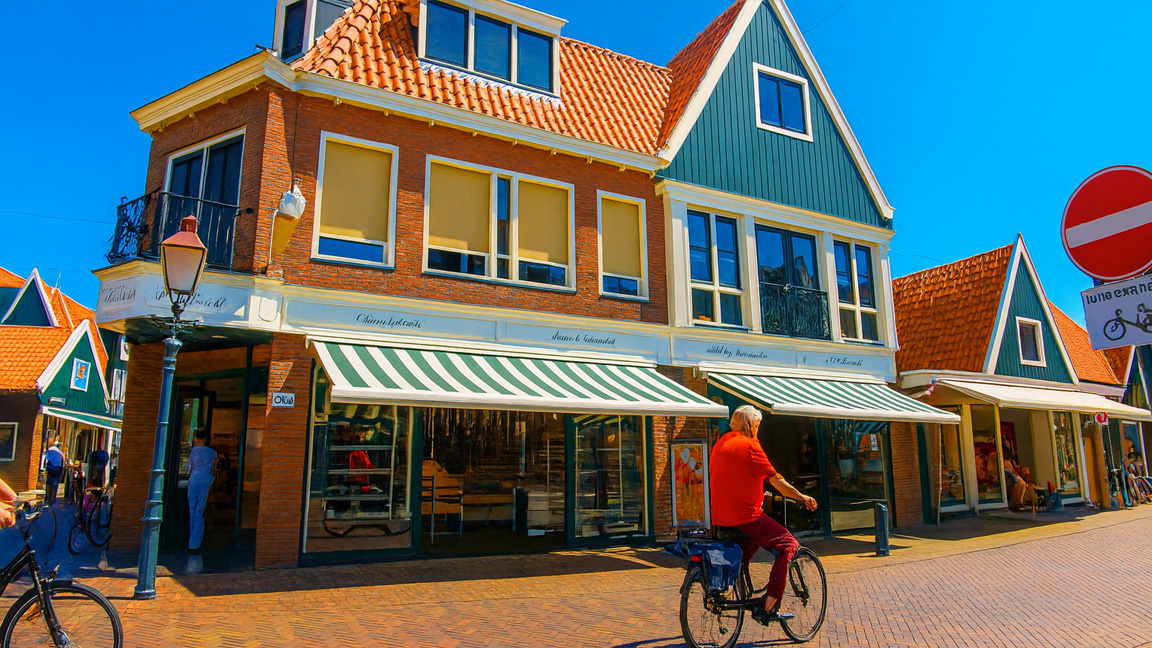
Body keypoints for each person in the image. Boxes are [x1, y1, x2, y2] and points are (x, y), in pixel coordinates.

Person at [709, 405, 818, 626]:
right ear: (751, 425)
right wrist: (801, 497)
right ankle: (770, 605)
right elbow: (777, 481)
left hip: (720, 518)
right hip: (746, 518)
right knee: (788, 545)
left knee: (751, 544)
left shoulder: (720, 443)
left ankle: (730, 583)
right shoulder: (751, 446)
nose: (758, 430)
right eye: (757, 425)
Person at [186, 429, 218, 552]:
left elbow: (189, 467)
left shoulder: (194, 451)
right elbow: (214, 469)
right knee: (200, 510)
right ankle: (196, 541)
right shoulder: (212, 453)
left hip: (194, 481)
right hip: (205, 481)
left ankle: (192, 541)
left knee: (192, 509)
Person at [41, 440, 66, 506]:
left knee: (49, 485)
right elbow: (63, 462)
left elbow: (46, 459)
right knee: (55, 486)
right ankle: (52, 500)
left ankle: (47, 499)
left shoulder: (50, 450)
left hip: (51, 468)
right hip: (57, 469)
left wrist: (44, 468)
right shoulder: (60, 452)